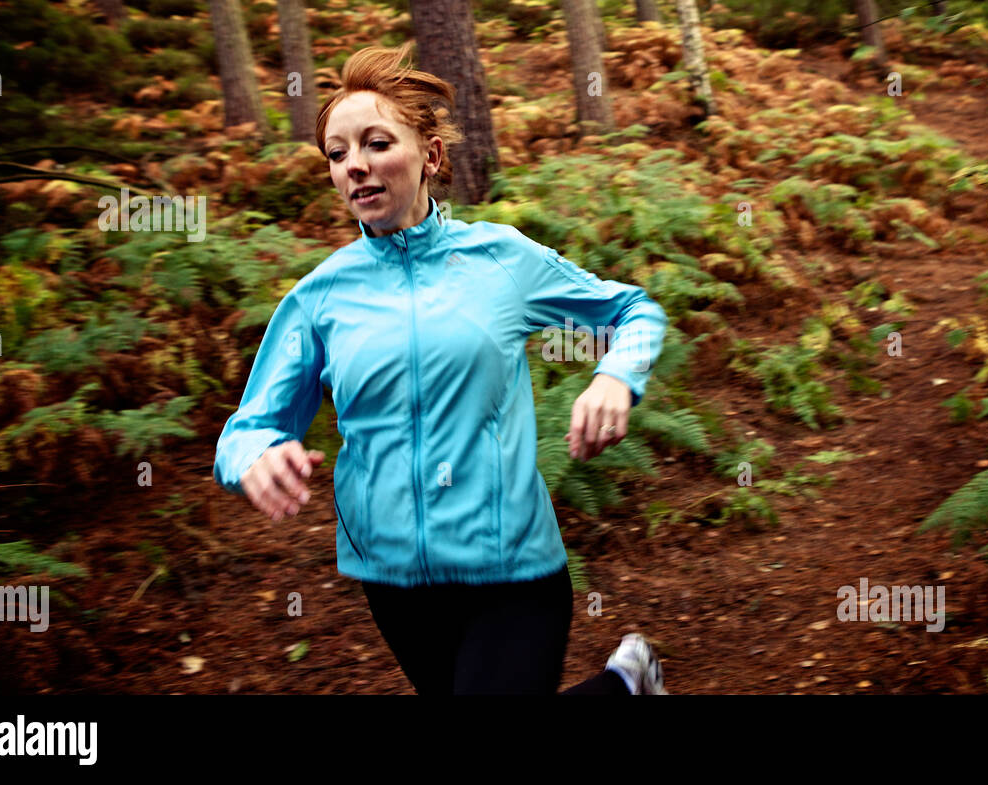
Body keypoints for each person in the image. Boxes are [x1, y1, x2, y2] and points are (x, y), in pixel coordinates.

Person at [212, 43, 669, 695]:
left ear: (429, 155)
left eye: (375, 143)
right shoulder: (317, 298)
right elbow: (246, 428)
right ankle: (627, 683)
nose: (356, 167)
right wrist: (254, 456)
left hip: (512, 566)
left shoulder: (501, 260)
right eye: (337, 155)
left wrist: (615, 376)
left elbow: (632, 311)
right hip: (394, 581)